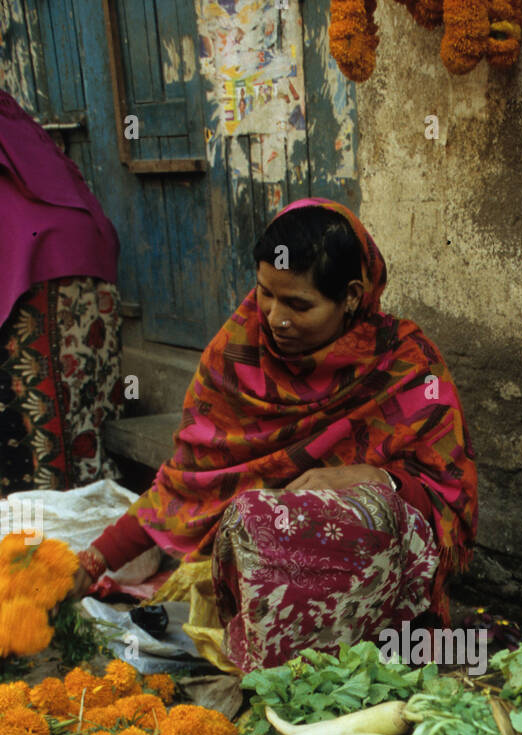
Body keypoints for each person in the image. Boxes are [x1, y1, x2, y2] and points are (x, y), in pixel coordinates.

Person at [73, 198, 478, 672]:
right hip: (258, 597)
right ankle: (268, 667)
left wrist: (373, 477)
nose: (274, 317)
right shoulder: (238, 354)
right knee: (254, 518)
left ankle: (351, 664)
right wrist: (90, 564)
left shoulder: (406, 364)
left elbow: (449, 496)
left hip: (377, 607)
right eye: (266, 292)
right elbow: (185, 484)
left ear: (351, 295)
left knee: (361, 506)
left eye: (298, 304)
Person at [0, 90, 122, 492]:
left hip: (35, 281)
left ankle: (54, 540)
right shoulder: (14, 122)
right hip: (87, 265)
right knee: (85, 430)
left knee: (41, 453)